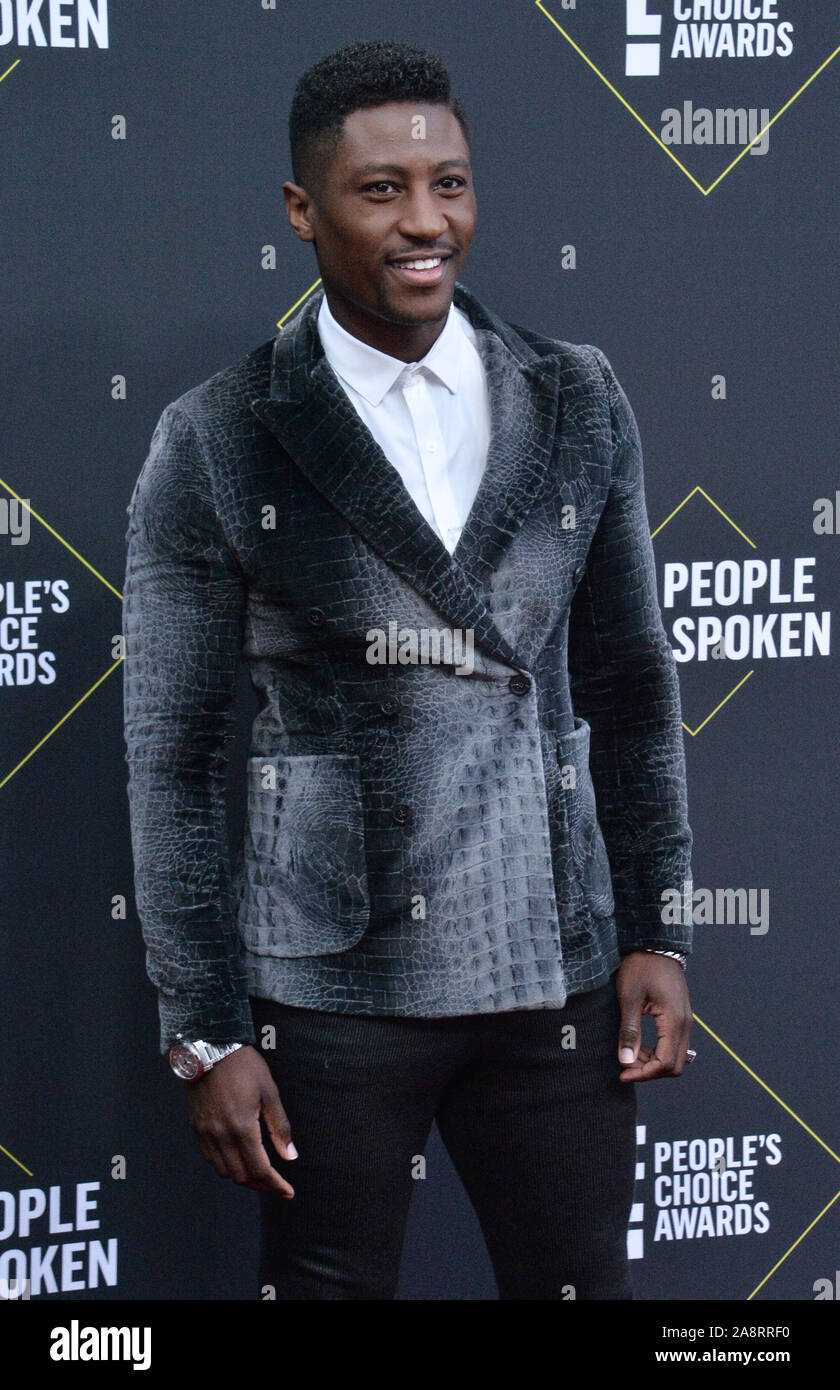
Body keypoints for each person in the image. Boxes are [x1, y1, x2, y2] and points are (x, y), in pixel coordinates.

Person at [123, 39, 695, 1301]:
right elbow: (170, 759)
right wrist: (206, 1029)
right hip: (334, 983)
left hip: (556, 957)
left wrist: (660, 926)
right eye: (381, 190)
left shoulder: (578, 395)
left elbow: (634, 684)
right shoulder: (221, 436)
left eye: (452, 182)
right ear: (302, 210)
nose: (426, 221)